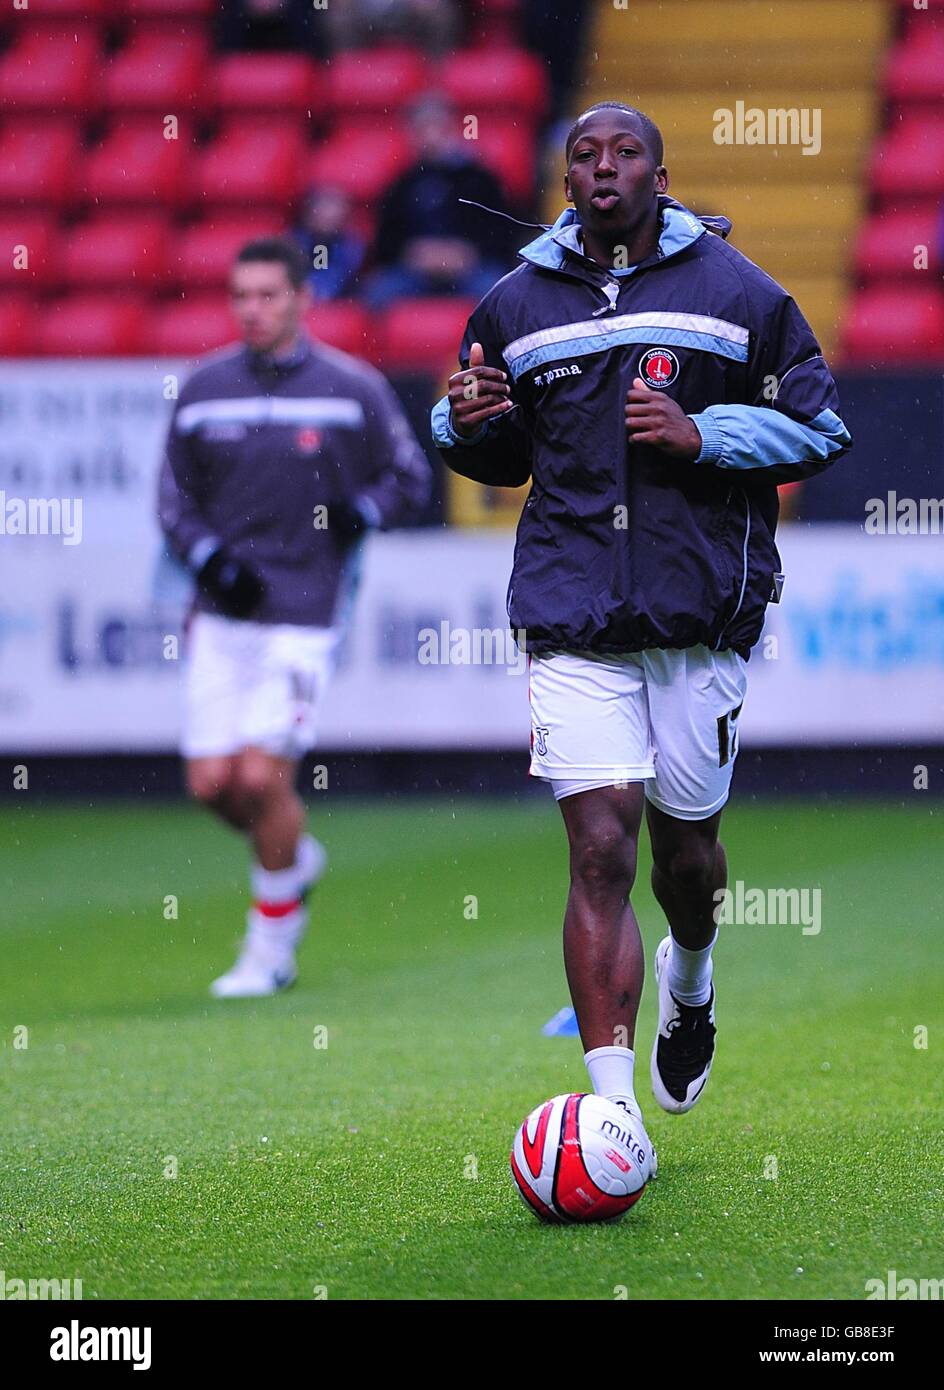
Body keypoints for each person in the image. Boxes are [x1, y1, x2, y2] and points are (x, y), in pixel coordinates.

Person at [432, 102, 851, 1179]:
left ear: (660, 175)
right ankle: (611, 1109)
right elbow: (492, 446)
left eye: (624, 153)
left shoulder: (735, 292)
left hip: (696, 610)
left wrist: (702, 431)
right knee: (599, 844)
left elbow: (817, 423)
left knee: (684, 854)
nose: (603, 167)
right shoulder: (514, 302)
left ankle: (693, 976)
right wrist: (464, 420)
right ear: (562, 178)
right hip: (571, 610)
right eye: (583, 155)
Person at [159, 236, 431, 998]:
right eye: (241, 296)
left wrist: (361, 511)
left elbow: (408, 476)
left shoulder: (351, 387)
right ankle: (295, 858)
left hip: (307, 612)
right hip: (221, 610)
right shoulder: (205, 387)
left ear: (301, 301)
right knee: (214, 784)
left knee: (259, 774)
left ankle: (268, 951)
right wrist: (210, 557)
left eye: (268, 295)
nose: (254, 309)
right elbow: (172, 501)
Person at [365, 93, 517, 311]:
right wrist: (412, 253)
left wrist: (467, 253)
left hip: (472, 271)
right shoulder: (402, 182)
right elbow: (385, 240)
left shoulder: (480, 178)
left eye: (436, 127)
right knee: (377, 293)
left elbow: (502, 233)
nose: (429, 136)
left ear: (451, 128)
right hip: (414, 273)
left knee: (502, 294)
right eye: (421, 129)